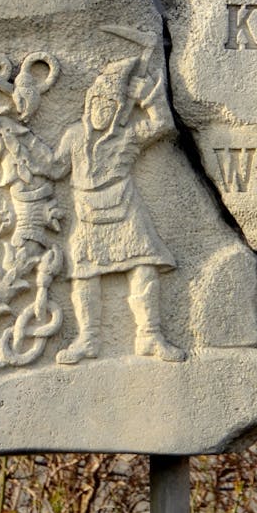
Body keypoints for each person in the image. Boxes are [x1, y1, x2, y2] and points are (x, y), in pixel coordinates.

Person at [51, 54, 186, 364]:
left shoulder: (129, 137)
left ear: (119, 111)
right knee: (84, 273)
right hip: (87, 215)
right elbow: (54, 167)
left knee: (144, 268)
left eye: (109, 106)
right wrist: (19, 146)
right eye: (97, 103)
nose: (101, 110)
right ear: (88, 104)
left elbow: (161, 124)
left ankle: (150, 335)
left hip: (126, 211)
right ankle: (88, 339)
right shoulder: (74, 136)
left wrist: (147, 97)